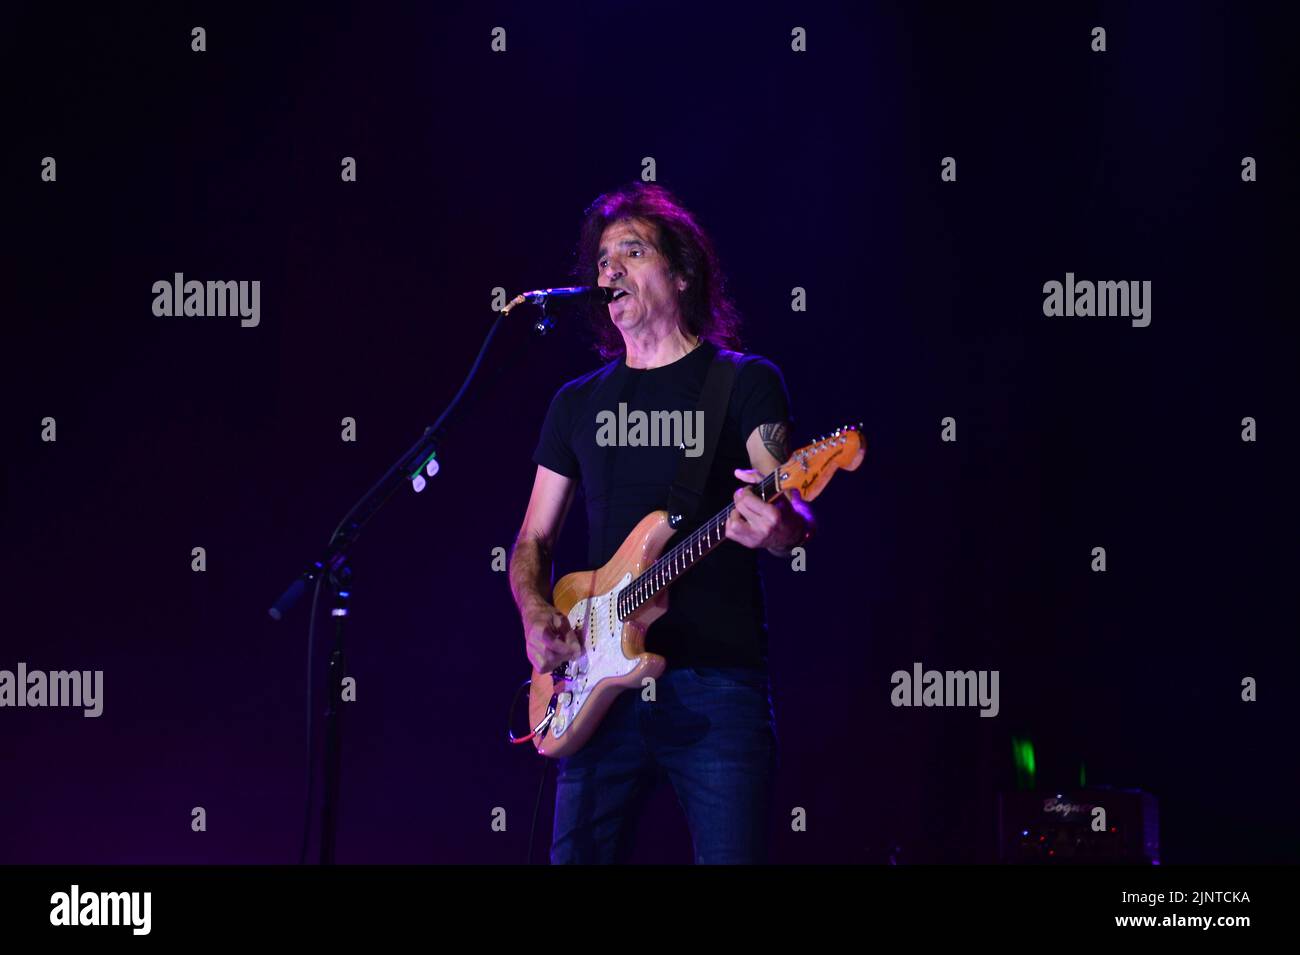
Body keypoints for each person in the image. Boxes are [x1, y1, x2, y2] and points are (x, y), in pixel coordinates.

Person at [508, 182, 814, 864]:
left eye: (632, 252)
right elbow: (533, 539)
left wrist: (779, 527)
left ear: (681, 273)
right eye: (602, 260)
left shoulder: (743, 382)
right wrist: (536, 615)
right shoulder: (575, 403)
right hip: (593, 687)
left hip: (716, 687)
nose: (607, 270)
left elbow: (789, 502)